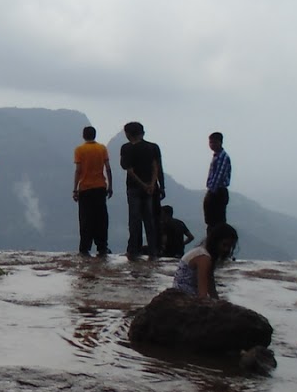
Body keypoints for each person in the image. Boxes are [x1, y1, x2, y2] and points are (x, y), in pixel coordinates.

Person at [119, 122, 163, 259]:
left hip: (134, 188)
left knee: (135, 220)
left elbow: (129, 170)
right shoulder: (153, 147)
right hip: (151, 189)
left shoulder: (126, 148)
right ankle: (153, 250)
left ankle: (134, 250)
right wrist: (153, 184)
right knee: (150, 220)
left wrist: (143, 184)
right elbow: (156, 166)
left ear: (128, 133)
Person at [72, 125, 112, 255]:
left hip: (85, 188)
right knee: (101, 218)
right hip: (100, 187)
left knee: (85, 219)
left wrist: (75, 189)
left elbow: (78, 170)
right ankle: (102, 246)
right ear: (95, 135)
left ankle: (85, 247)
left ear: (84, 135)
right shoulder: (102, 148)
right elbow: (108, 168)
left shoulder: (79, 150)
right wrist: (110, 185)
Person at [172, 223, 239, 298]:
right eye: (224, 245)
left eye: (230, 246)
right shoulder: (204, 258)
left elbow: (211, 286)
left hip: (179, 296)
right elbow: (202, 295)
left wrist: (218, 303)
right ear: (215, 241)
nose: (226, 249)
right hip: (185, 299)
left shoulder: (202, 252)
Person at [204, 132, 232, 227]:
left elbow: (218, 176)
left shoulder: (222, 157)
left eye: (214, 142)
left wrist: (211, 192)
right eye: (210, 142)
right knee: (211, 219)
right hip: (215, 190)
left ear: (220, 142)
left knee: (217, 220)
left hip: (218, 192)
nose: (212, 145)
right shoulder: (216, 156)